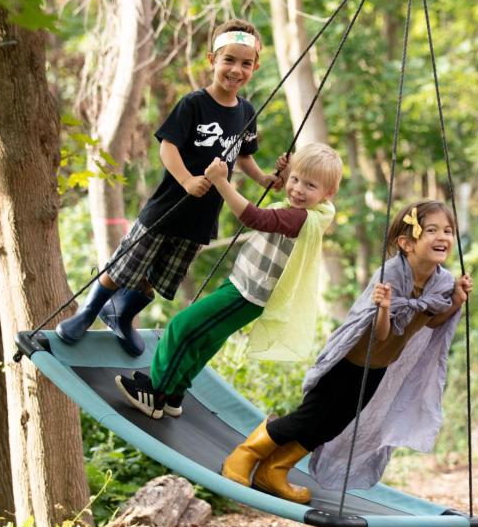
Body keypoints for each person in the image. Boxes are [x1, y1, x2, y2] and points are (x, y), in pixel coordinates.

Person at [56, 18, 284, 357]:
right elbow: (167, 146)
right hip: (168, 207)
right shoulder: (194, 104)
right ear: (212, 61)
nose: (236, 69)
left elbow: (244, 156)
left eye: (246, 63)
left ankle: (123, 315)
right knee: (125, 267)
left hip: (202, 217)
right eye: (229, 60)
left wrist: (265, 179)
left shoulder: (247, 112)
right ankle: (87, 313)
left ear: (256, 66)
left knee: (160, 277)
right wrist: (187, 180)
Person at [221, 200, 472, 503]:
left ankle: (273, 469)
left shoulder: (442, 281)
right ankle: (245, 454)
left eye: (447, 230)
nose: (443, 237)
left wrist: (455, 301)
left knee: (334, 425)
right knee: (309, 417)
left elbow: (429, 321)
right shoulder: (391, 274)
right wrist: (384, 309)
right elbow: (381, 335)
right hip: (349, 362)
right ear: (406, 243)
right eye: (431, 230)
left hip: (378, 368)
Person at [114, 142, 343, 420]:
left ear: (328, 193)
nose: (297, 190)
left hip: (248, 294)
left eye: (309, 186)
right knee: (207, 340)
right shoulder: (321, 210)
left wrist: (221, 181)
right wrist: (284, 176)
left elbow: (253, 217)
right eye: (295, 180)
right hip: (243, 286)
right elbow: (294, 193)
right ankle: (174, 394)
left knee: (181, 327)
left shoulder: (301, 218)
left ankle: (156, 394)